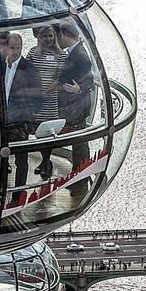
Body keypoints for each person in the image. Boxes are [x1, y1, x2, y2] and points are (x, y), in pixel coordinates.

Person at [0, 31, 43, 198]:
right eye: (12, 48)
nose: (15, 52)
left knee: (21, 160)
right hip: (0, 121)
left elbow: (38, 98)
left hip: (19, 122)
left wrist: (27, 117)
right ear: (6, 47)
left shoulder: (30, 69)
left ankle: (18, 195)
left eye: (18, 48)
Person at [26, 23, 66, 180]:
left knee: (48, 132)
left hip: (50, 100)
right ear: (39, 37)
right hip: (35, 100)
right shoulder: (33, 53)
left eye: (50, 36)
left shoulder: (61, 54)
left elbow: (61, 77)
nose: (48, 39)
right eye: (44, 36)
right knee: (37, 130)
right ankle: (44, 162)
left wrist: (46, 92)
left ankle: (46, 161)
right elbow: (26, 72)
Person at [57, 19, 95, 175]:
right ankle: (79, 175)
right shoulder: (75, 51)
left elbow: (90, 79)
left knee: (79, 144)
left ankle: (80, 177)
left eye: (60, 36)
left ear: (67, 35)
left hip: (77, 108)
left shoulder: (80, 54)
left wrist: (78, 89)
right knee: (79, 143)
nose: (58, 40)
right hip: (76, 107)